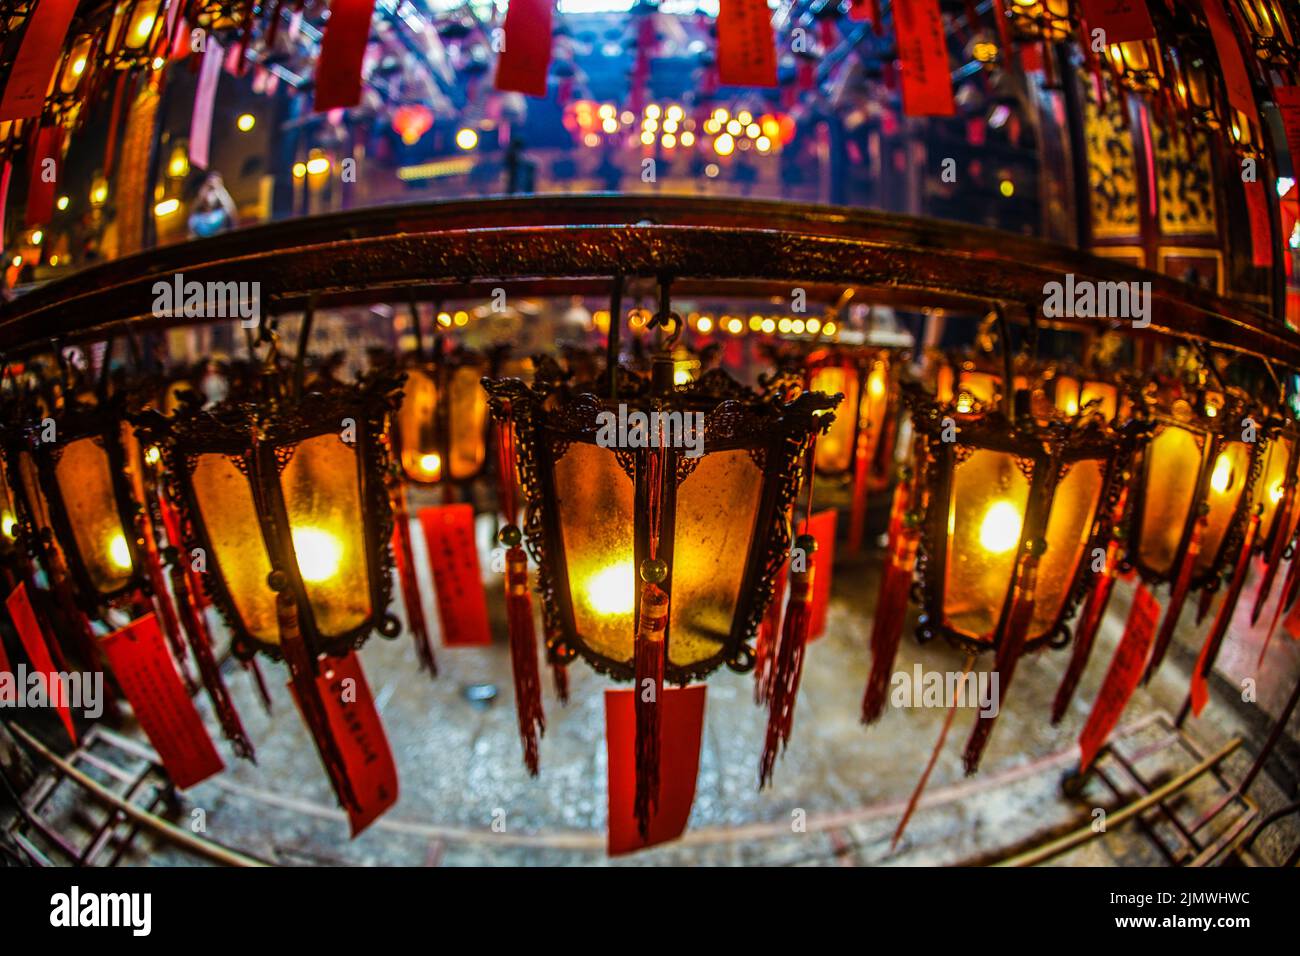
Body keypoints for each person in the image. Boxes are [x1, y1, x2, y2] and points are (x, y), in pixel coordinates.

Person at [188, 172, 238, 239]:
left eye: (212, 190)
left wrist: (219, 187)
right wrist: (203, 192)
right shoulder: (196, 219)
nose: (210, 194)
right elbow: (191, 235)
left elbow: (232, 214)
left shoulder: (221, 214)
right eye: (208, 190)